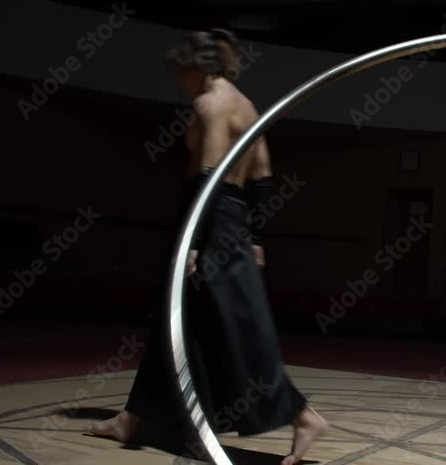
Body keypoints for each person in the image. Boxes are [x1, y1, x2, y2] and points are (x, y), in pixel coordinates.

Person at [88, 28, 327, 465]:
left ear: (196, 68)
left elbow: (208, 174)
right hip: (231, 220)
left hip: (209, 221)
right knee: (180, 324)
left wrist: (195, 243)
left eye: (180, 72)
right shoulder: (246, 105)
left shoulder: (210, 103)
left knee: (231, 330)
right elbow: (263, 176)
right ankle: (133, 418)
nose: (178, 82)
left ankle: (301, 414)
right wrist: (254, 236)